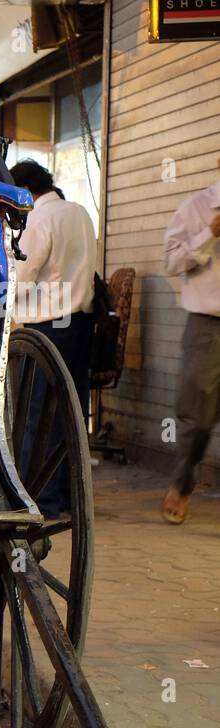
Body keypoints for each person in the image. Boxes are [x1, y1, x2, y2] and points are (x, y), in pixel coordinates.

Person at [8, 159, 98, 517]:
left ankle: (41, 499)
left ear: (26, 191)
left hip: (46, 328)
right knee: (70, 415)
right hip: (79, 325)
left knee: (35, 415)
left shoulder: (39, 218)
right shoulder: (79, 213)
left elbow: (22, 274)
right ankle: (67, 496)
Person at [161, 158, 220, 524]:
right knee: (198, 418)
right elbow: (170, 262)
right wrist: (208, 235)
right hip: (207, 325)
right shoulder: (196, 208)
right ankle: (183, 484)